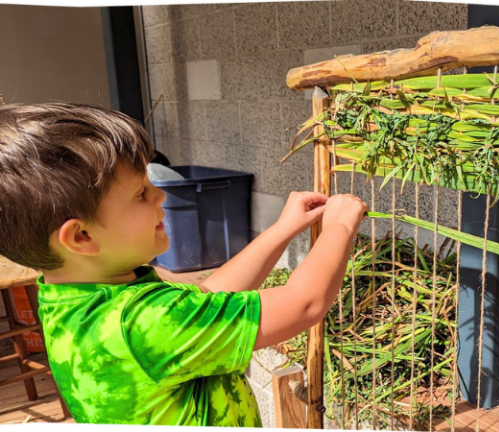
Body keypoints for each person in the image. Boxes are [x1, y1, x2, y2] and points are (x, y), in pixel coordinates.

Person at [0, 102, 368, 426]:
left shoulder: (74, 302)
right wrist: (339, 226)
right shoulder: (141, 323)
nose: (160, 195)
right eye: (141, 193)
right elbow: (304, 303)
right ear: (81, 236)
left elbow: (206, 294)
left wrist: (281, 229)